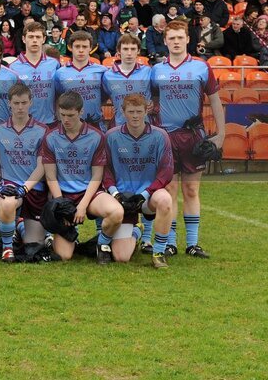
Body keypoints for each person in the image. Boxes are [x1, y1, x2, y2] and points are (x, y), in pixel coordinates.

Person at [151, 19, 225, 258]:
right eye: (171, 38)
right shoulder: (156, 70)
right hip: (166, 137)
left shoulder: (202, 67)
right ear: (165, 41)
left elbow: (215, 100)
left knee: (191, 189)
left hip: (193, 136)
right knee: (170, 189)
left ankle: (192, 244)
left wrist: (221, 135)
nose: (175, 41)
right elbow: (151, 103)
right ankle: (170, 242)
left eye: (179, 37)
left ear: (187, 39)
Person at [41, 91, 124, 264]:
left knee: (116, 212)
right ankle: (70, 237)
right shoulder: (50, 137)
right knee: (64, 256)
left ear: (80, 112)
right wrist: (61, 206)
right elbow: (50, 176)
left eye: (70, 115)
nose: (66, 120)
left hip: (89, 193)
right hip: (63, 195)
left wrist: (83, 206)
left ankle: (102, 245)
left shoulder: (96, 136)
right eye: (62, 115)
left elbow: (97, 176)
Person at [104, 94, 175, 267]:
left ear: (146, 111)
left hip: (148, 196)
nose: (135, 116)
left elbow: (166, 172)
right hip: (123, 198)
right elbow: (105, 170)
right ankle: (137, 230)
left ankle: (158, 252)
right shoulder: (111, 136)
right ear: (122, 112)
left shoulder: (160, 136)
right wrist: (115, 194)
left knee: (165, 200)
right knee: (121, 257)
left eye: (139, 111)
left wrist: (145, 194)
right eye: (130, 111)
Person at [0, 83, 49, 263]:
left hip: (34, 189)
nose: (20, 107)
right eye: (16, 103)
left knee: (34, 245)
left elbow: (42, 166)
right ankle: (7, 248)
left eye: (24, 103)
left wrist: (25, 189)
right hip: (10, 186)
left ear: (31, 103)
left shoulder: (42, 130)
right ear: (9, 103)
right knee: (7, 202)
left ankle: (19, 226)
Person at [9, 21, 61, 126]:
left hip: (50, 122)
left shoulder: (54, 64)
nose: (34, 40)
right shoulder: (13, 67)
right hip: (25, 124)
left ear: (44, 39)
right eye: (31, 37)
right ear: (24, 39)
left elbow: (60, 93)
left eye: (38, 37)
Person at [53, 31, 107, 127]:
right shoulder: (60, 73)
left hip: (95, 123)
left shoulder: (101, 71)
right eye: (77, 46)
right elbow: (58, 97)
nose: (81, 50)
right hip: (70, 125)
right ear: (70, 47)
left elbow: (104, 95)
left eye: (85, 47)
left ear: (90, 48)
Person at [101, 33, 152, 128]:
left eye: (133, 49)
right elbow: (101, 99)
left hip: (146, 128)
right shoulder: (108, 76)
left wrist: (154, 103)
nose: (129, 53)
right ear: (118, 50)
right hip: (120, 127)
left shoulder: (148, 71)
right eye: (125, 49)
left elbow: (158, 94)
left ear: (138, 51)